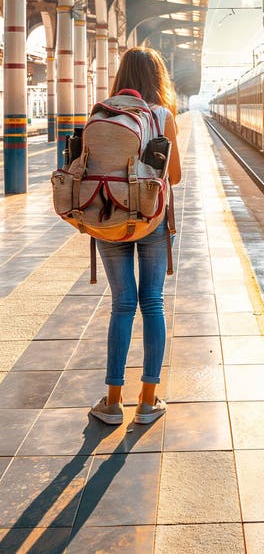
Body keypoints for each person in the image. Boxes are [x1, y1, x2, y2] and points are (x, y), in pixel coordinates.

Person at [89, 46, 181, 426]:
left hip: (109, 216)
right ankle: (147, 400)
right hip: (152, 220)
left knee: (122, 305)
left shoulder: (100, 112)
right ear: (157, 78)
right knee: (153, 303)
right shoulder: (162, 116)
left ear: (121, 76)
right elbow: (174, 176)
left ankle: (112, 403)